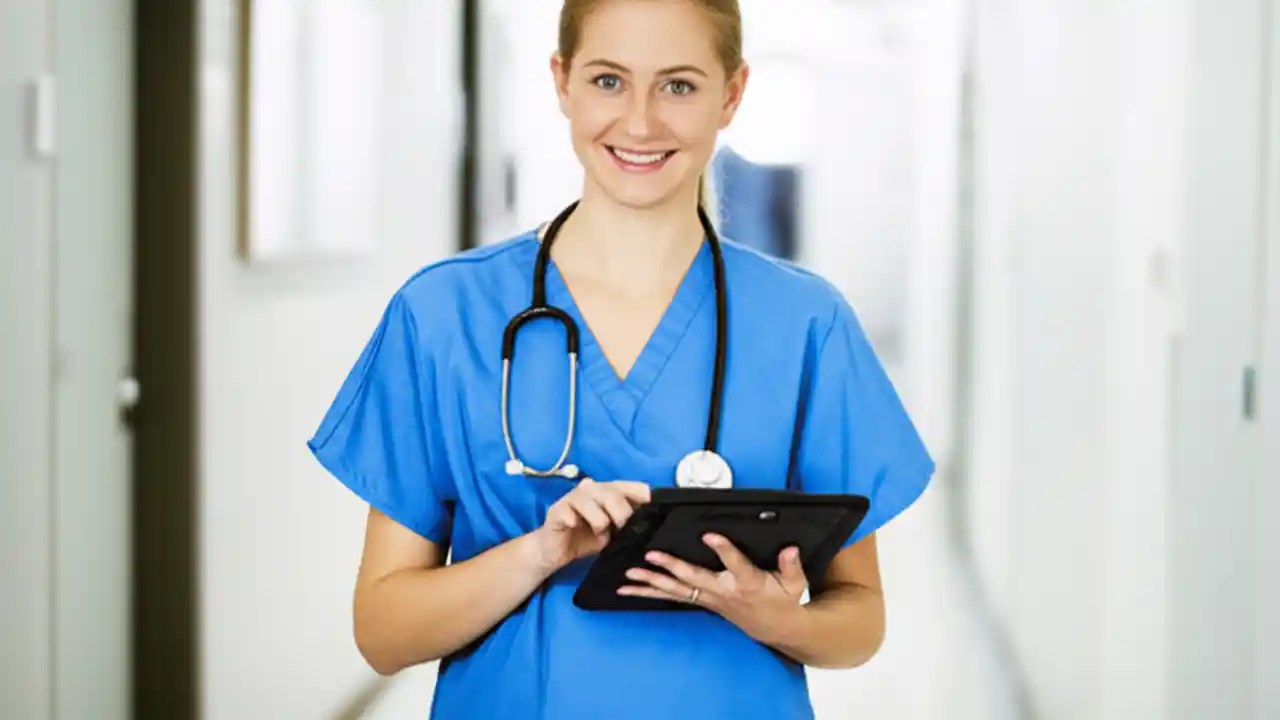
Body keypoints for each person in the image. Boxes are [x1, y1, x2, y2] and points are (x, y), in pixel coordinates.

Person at [307, 0, 935, 717]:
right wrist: (540, 553)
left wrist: (773, 617)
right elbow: (383, 634)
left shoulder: (805, 324)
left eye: (678, 85)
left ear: (731, 95)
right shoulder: (444, 314)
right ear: (561, 82)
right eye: (609, 81)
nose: (639, 123)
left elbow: (860, 620)